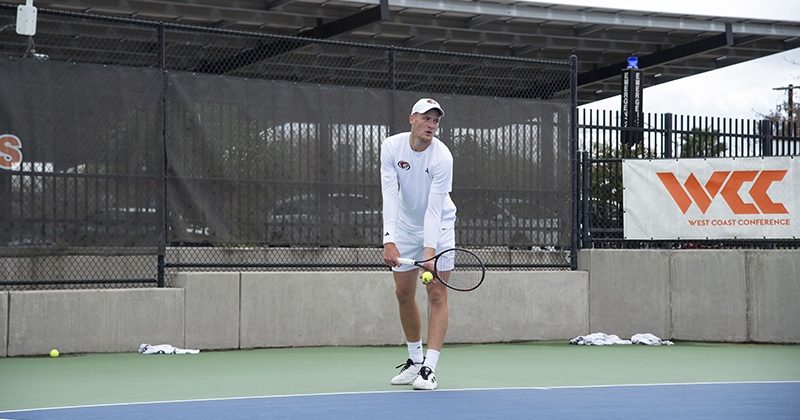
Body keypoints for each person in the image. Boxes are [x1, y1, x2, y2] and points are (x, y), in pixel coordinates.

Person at [380, 98, 457, 391]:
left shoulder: (442, 157)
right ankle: (414, 362)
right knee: (402, 293)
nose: (432, 125)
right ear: (412, 118)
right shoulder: (391, 147)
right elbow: (389, 192)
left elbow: (435, 208)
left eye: (436, 120)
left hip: (440, 226)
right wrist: (389, 239)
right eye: (426, 118)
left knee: (436, 294)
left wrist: (430, 251)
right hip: (404, 226)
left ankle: (429, 369)